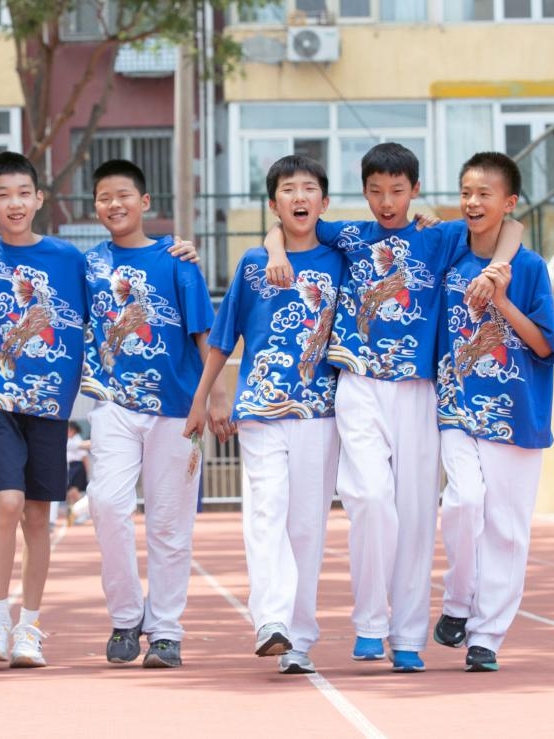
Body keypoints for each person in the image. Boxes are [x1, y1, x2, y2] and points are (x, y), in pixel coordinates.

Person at [263, 142, 522, 672]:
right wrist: (273, 251)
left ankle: (406, 636)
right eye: (376, 192)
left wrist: (496, 269)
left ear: (416, 191)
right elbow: (287, 229)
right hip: (358, 383)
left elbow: (514, 230)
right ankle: (369, 623)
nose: (386, 201)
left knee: (417, 513)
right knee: (369, 497)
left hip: (419, 389)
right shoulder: (351, 234)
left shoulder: (437, 234)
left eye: (397, 192)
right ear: (363, 193)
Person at [185, 154, 342, 675]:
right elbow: (224, 337)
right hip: (261, 410)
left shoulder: (342, 258)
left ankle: (298, 638)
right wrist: (206, 397)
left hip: (320, 414)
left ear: (324, 200)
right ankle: (271, 622)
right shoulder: (254, 264)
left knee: (306, 528)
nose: (300, 197)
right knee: (266, 513)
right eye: (288, 190)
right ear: (274, 203)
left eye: (309, 188)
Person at [81, 159, 222, 669]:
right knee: (107, 504)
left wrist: (212, 398)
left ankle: (165, 630)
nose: (113, 204)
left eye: (123, 195)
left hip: (177, 411)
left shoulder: (178, 260)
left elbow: (207, 334)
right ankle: (125, 616)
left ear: (145, 203)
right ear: (95, 207)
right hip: (114, 405)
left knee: (168, 524)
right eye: (103, 197)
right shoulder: (89, 264)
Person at [433, 152, 554, 672]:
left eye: (485, 194)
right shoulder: (447, 252)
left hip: (517, 416)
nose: (472, 202)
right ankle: (458, 601)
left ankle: (486, 636)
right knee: (462, 503)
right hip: (456, 407)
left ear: (507, 203)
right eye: (466, 191)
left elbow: (543, 345)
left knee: (507, 528)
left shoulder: (529, 269)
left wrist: (503, 298)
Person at [0, 152, 88, 668]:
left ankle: (30, 627)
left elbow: (120, 284)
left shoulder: (69, 259)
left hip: (51, 404)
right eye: (2, 195)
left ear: (39, 198)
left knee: (39, 514)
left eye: (22, 193)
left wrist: (179, 250)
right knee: (8, 501)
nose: (13, 203)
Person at [65, 421, 90, 525]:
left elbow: (84, 457)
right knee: (70, 493)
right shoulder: (70, 440)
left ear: (73, 430)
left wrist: (86, 471)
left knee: (74, 492)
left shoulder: (77, 439)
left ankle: (83, 513)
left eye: (69, 430)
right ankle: (75, 513)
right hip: (71, 467)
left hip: (78, 467)